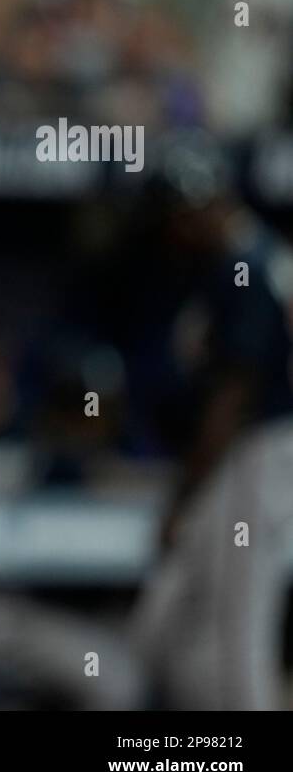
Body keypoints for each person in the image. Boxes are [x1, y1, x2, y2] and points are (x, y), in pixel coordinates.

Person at [130, 131, 293, 709]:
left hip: (254, 451)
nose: (171, 233)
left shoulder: (243, 266)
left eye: (176, 216)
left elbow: (233, 395)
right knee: (174, 625)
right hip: (236, 456)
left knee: (235, 630)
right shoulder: (233, 262)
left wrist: (184, 496)